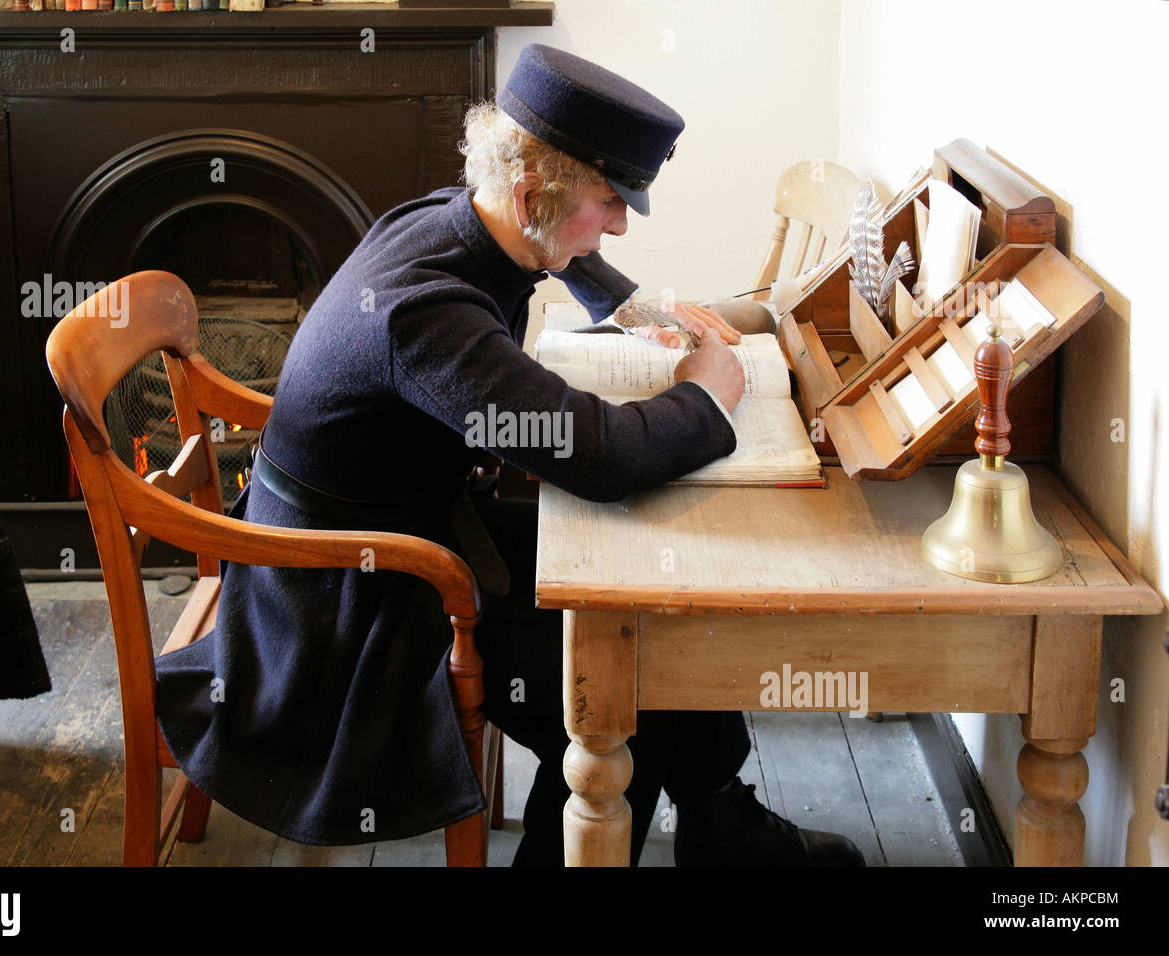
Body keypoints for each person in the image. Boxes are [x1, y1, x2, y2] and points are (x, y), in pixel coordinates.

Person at [154, 43, 864, 867]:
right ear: (532, 192)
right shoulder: (424, 312)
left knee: (662, 610)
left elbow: (548, 246)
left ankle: (720, 817)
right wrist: (707, 391)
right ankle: (689, 829)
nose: (621, 222)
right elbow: (596, 456)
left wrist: (630, 307)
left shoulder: (461, 215)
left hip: (405, 528)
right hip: (342, 604)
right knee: (623, 678)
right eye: (610, 201)